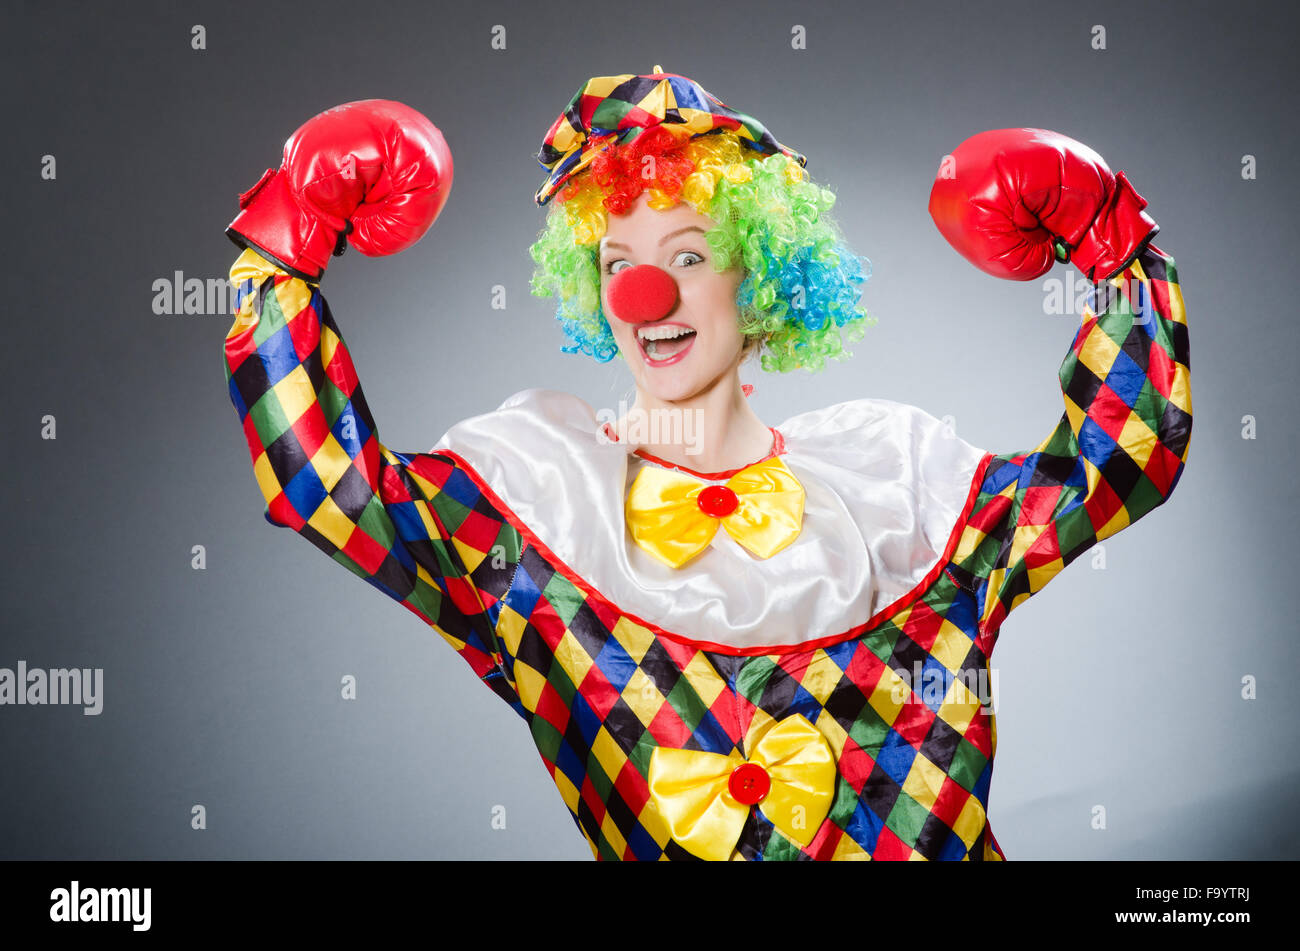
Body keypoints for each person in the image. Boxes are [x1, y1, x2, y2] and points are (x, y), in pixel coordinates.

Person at [221, 69, 1191, 860]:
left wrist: (1118, 253)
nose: (644, 293)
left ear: (761, 273)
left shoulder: (900, 488)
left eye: (686, 255)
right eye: (616, 263)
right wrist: (281, 252)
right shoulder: (534, 512)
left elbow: (1117, 464)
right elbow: (332, 491)